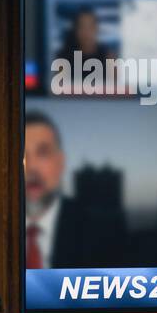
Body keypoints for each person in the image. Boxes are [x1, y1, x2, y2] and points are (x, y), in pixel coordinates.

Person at [22, 111, 96, 269]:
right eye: (22, 155)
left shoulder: (97, 232)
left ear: (60, 162)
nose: (32, 167)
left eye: (42, 153)